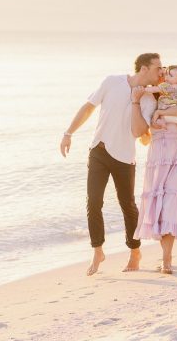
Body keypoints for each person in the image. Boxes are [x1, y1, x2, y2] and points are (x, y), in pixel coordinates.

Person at [60, 53, 162, 276]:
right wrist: (68, 133)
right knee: (93, 202)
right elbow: (88, 107)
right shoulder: (111, 81)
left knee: (127, 205)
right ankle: (97, 250)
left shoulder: (149, 100)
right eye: (157, 68)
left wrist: (136, 100)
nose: (160, 72)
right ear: (143, 68)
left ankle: (135, 252)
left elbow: (138, 132)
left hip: (124, 157)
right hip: (99, 150)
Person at [134, 65, 177, 274]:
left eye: (168, 72)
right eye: (162, 71)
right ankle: (164, 258)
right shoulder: (152, 96)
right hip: (158, 151)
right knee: (159, 204)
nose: (164, 74)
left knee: (171, 200)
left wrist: (162, 111)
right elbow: (143, 129)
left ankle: (167, 259)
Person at [145, 65, 177, 144]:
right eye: (166, 74)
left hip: (165, 115)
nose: (167, 77)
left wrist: (144, 89)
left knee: (155, 119)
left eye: (170, 75)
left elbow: (154, 89)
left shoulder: (166, 86)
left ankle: (161, 122)